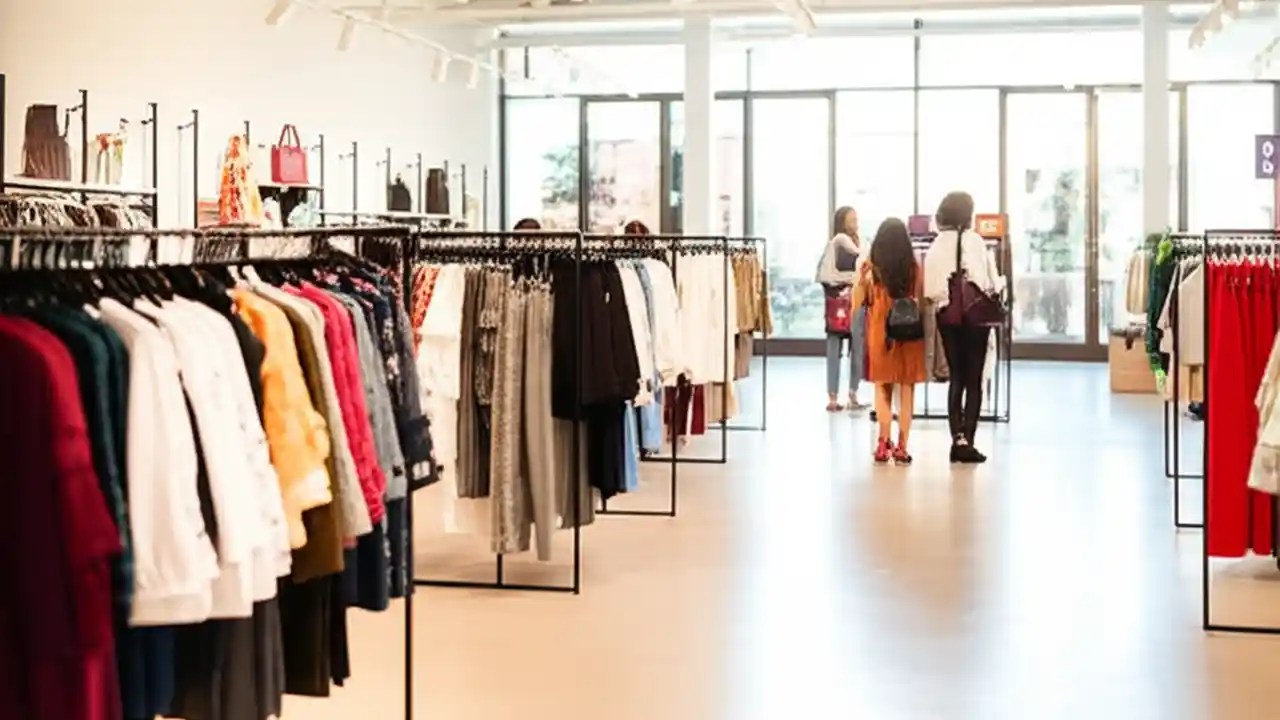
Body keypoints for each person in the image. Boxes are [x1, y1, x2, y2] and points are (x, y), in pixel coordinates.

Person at [923, 191, 1004, 464]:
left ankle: (956, 439)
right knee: (975, 380)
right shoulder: (976, 242)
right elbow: (988, 282)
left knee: (956, 378)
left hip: (947, 318)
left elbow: (930, 288)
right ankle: (968, 441)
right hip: (975, 318)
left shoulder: (935, 246)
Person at [854, 217, 926, 465]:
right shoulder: (913, 268)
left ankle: (883, 443)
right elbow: (921, 297)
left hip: (880, 333)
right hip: (909, 331)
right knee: (907, 390)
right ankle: (902, 447)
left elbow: (858, 303)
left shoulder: (870, 269)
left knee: (882, 388)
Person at [816, 206, 866, 412]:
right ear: (842, 222)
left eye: (856, 218)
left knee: (838, 350)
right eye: (851, 219)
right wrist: (851, 281)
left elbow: (824, 275)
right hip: (852, 301)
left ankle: (835, 396)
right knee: (855, 349)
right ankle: (849, 395)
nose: (856, 222)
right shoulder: (842, 244)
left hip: (837, 304)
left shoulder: (838, 245)